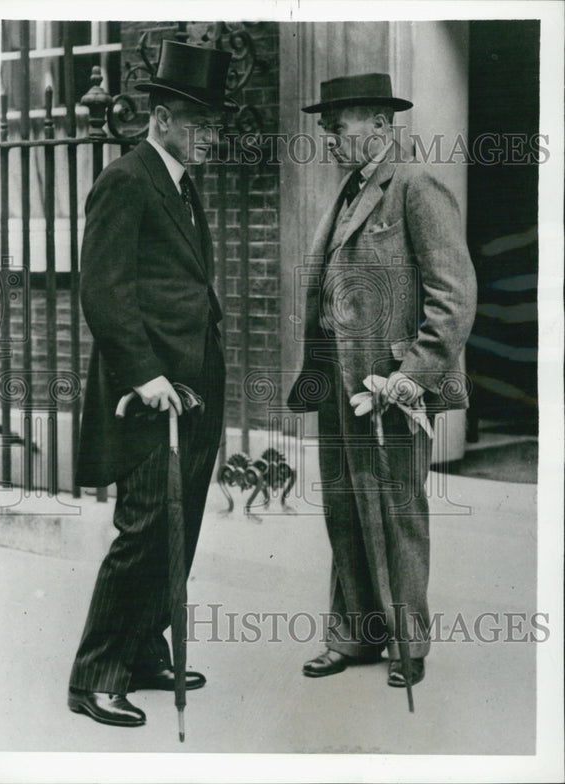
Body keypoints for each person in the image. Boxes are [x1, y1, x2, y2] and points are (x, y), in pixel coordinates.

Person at [287, 73, 477, 688]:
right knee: (344, 506)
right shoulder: (347, 194)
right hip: (340, 385)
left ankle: (407, 644)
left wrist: (411, 376)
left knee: (397, 509)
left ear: (381, 126)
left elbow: (453, 297)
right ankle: (354, 637)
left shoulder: (416, 188)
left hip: (391, 389)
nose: (331, 140)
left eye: (338, 128)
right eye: (326, 130)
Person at [68, 40, 235, 727]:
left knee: (180, 524)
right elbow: (104, 292)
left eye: (215, 126)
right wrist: (145, 374)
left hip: (194, 388)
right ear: (162, 116)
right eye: (199, 124)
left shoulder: (180, 183)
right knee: (143, 532)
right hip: (147, 394)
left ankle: (143, 649)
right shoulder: (127, 179)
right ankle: (95, 674)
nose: (209, 137)